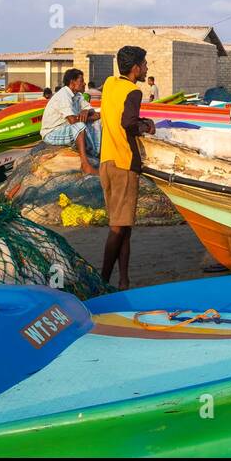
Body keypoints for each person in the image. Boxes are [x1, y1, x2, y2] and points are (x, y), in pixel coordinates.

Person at [98, 46, 156, 288]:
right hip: (123, 163)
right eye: (144, 64)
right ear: (135, 69)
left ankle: (124, 280)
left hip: (106, 160)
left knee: (124, 225)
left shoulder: (110, 84)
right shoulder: (133, 91)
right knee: (118, 227)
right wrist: (147, 125)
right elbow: (129, 123)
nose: (146, 68)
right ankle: (102, 280)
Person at [40, 68, 101, 175]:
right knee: (79, 125)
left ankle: (95, 154)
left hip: (66, 129)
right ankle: (85, 165)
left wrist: (86, 111)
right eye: (81, 81)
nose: (84, 83)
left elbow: (95, 114)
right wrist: (87, 116)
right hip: (52, 132)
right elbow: (72, 120)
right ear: (72, 82)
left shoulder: (78, 95)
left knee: (97, 123)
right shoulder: (64, 95)